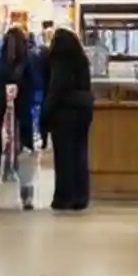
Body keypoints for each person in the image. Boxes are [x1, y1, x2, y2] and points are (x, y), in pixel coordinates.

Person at [0, 27, 37, 211]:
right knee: (26, 150)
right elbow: (34, 87)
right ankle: (27, 196)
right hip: (23, 116)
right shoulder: (29, 64)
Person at [42, 28, 95, 211]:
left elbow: (56, 88)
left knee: (64, 156)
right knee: (80, 153)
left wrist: (46, 111)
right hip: (84, 110)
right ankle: (81, 196)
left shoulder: (60, 60)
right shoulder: (82, 60)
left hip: (65, 112)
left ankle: (65, 196)